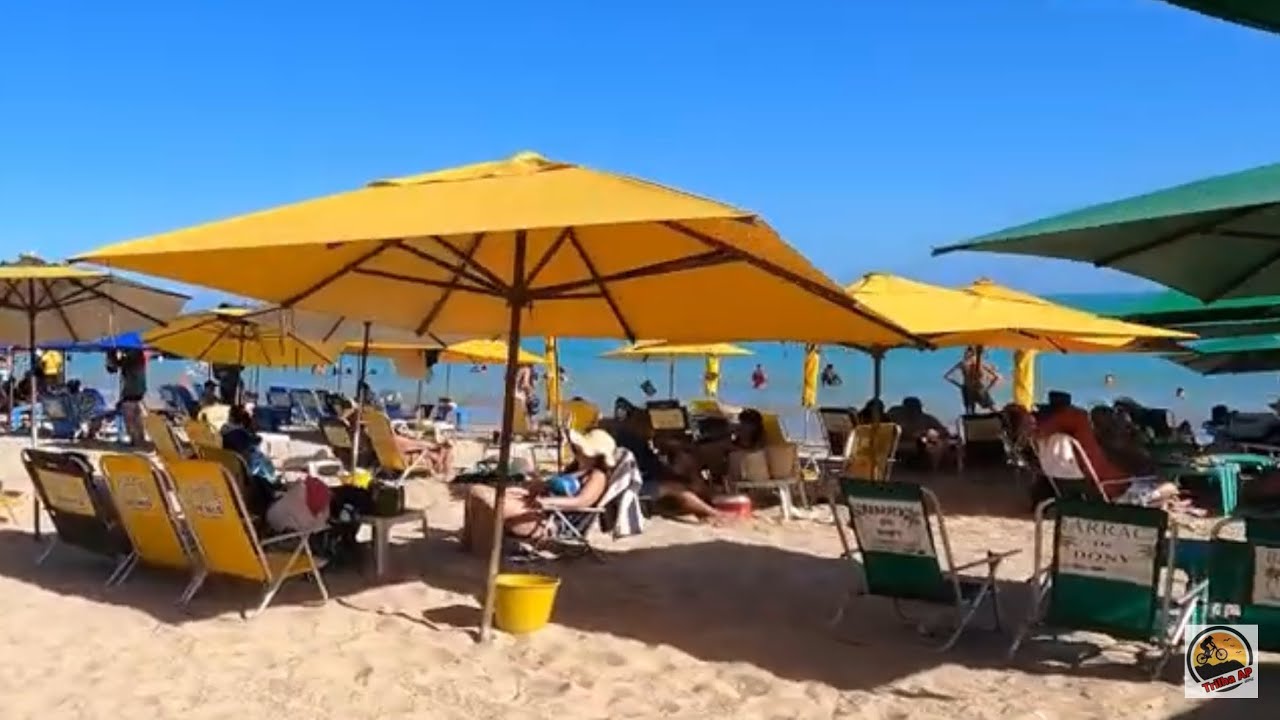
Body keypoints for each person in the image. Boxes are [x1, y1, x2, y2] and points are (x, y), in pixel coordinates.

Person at [460, 428, 613, 556]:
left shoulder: (597, 476)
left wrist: (548, 502)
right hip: (537, 509)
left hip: (548, 522)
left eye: (581, 447)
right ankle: (471, 545)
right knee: (474, 490)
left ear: (596, 454)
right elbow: (552, 488)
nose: (576, 448)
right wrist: (537, 486)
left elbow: (581, 501)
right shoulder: (574, 469)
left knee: (486, 498)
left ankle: (484, 551)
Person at [609, 408, 726, 523]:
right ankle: (715, 514)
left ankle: (708, 508)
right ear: (638, 423)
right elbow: (653, 469)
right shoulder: (632, 442)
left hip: (636, 482)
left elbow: (654, 467)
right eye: (648, 423)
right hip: (634, 487)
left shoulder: (633, 439)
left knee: (686, 481)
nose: (652, 427)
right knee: (677, 489)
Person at [888, 397, 951, 470]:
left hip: (921, 444)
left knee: (935, 445)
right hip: (897, 443)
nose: (913, 410)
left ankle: (929, 466)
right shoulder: (895, 417)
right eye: (910, 407)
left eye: (916, 407)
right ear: (904, 408)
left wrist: (928, 433)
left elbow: (944, 431)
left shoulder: (927, 418)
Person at [107, 348, 147, 447]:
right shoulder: (139, 360)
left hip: (130, 393)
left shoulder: (131, 360)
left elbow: (113, 367)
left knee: (130, 419)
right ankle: (140, 439)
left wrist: (111, 353)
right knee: (137, 419)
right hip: (138, 393)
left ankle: (135, 440)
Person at [945, 346, 1000, 414]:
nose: (968, 355)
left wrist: (960, 386)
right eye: (967, 353)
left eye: (970, 353)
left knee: (972, 410)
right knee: (971, 411)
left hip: (972, 389)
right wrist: (960, 386)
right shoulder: (964, 364)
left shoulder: (967, 364)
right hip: (973, 388)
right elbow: (947, 376)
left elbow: (996, 378)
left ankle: (1000, 417)